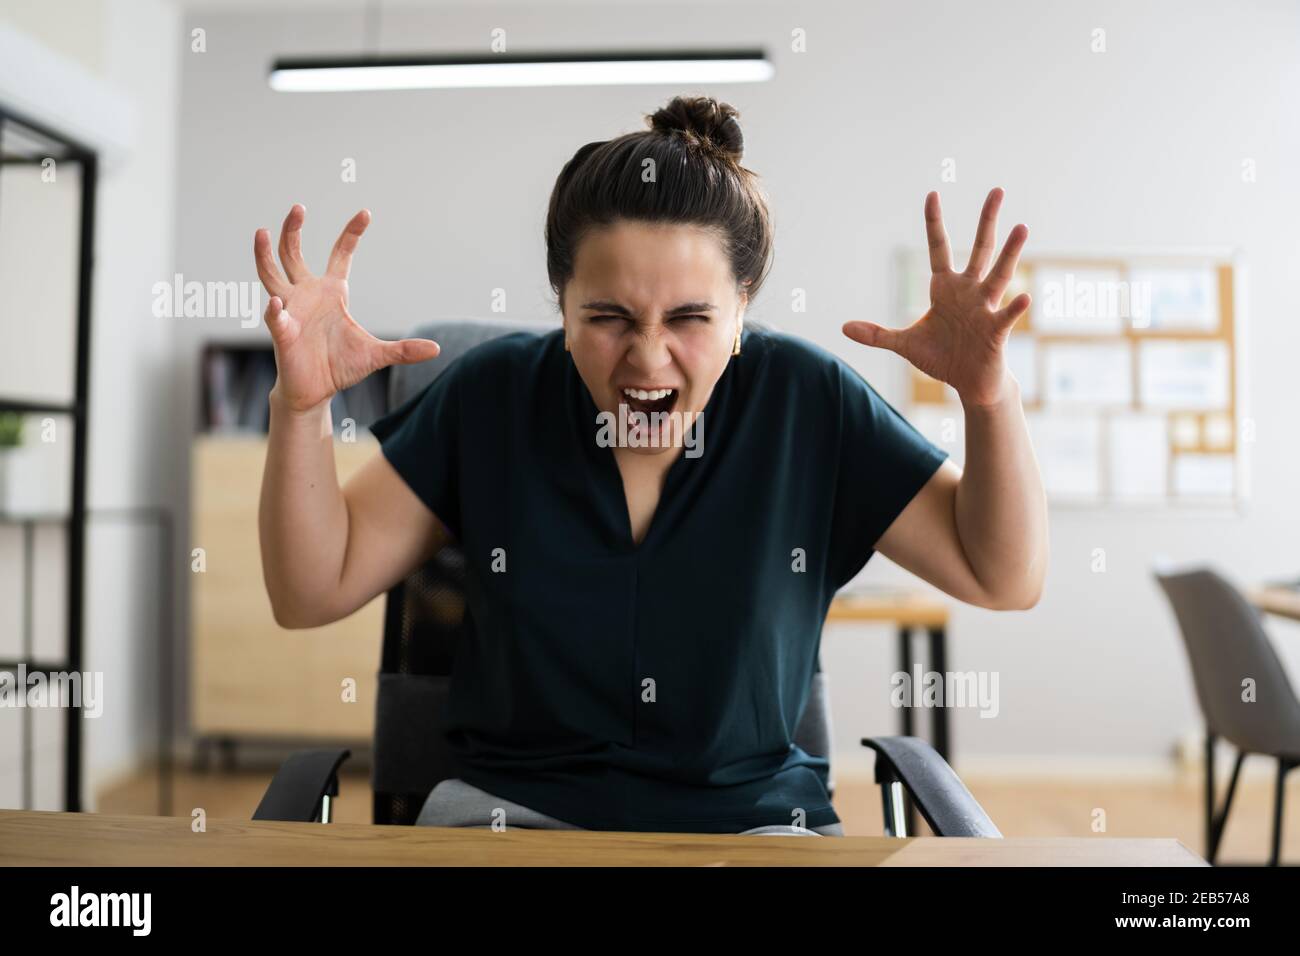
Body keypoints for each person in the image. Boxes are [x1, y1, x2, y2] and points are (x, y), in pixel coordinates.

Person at [253, 95, 1048, 836]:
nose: (648, 357)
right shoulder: (490, 396)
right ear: (561, 304)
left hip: (756, 831)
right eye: (608, 317)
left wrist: (989, 399)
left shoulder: (807, 402)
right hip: (509, 825)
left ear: (742, 313)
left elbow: (1000, 575)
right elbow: (310, 589)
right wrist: (301, 410)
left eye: (691, 318)